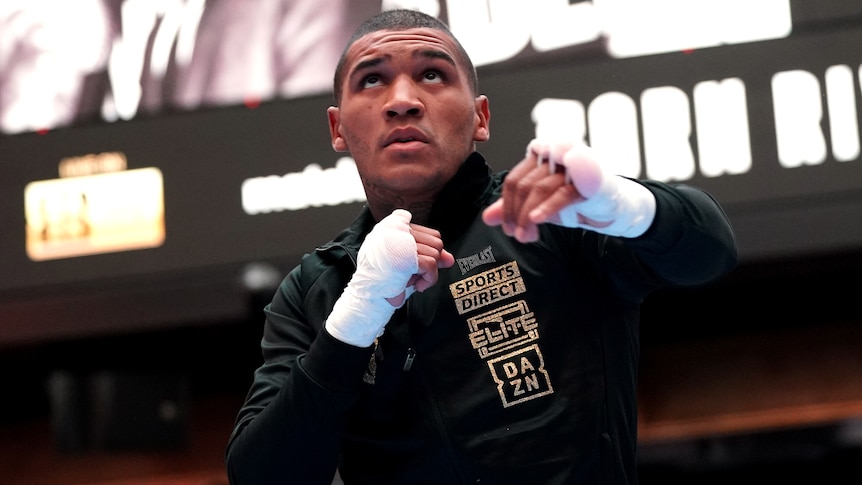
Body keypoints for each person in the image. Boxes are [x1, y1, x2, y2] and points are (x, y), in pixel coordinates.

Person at [225, 8, 737, 485]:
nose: (403, 99)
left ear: (480, 117)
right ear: (338, 129)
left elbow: (711, 253)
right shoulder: (316, 291)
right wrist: (356, 314)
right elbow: (261, 475)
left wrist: (627, 208)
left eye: (432, 74)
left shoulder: (554, 215)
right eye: (373, 79)